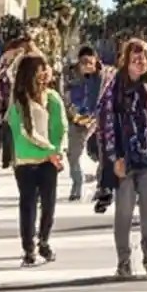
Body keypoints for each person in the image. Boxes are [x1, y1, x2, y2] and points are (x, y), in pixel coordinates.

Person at [97, 38, 147, 279]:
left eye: (144, 59)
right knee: (124, 212)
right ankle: (124, 259)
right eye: (135, 60)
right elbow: (106, 123)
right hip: (125, 159)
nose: (140, 64)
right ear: (126, 61)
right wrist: (114, 156)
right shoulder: (115, 87)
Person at [7, 52, 68, 266]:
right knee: (28, 204)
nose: (44, 73)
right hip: (26, 162)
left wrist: (57, 151)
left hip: (49, 162)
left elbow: (61, 128)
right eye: (39, 69)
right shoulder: (18, 103)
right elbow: (24, 135)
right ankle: (28, 248)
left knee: (49, 204)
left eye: (46, 68)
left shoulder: (53, 98)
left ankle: (44, 240)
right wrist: (48, 152)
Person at [63, 45, 107, 201]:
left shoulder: (103, 74)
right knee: (73, 155)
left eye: (90, 61)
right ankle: (77, 184)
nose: (87, 65)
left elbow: (105, 96)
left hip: (99, 118)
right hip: (77, 119)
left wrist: (96, 117)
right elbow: (66, 96)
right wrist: (76, 116)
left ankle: (102, 186)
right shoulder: (70, 73)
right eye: (83, 61)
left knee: (104, 154)